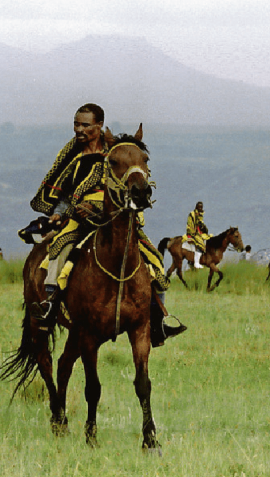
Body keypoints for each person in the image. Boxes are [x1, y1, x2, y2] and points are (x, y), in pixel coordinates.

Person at [27, 103, 185, 346]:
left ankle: (158, 320)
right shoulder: (74, 156)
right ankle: (49, 307)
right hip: (79, 217)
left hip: (116, 214)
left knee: (153, 258)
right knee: (58, 250)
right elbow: (64, 191)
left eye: (85, 125)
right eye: (76, 124)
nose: (79, 129)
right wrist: (60, 213)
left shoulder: (116, 151)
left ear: (99, 126)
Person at [185, 201, 209, 269]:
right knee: (200, 243)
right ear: (196, 207)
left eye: (201, 207)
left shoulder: (200, 215)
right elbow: (190, 224)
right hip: (194, 233)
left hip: (200, 233)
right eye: (199, 207)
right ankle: (196, 263)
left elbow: (201, 223)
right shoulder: (192, 214)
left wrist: (204, 228)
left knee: (209, 240)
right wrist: (193, 232)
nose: (200, 208)